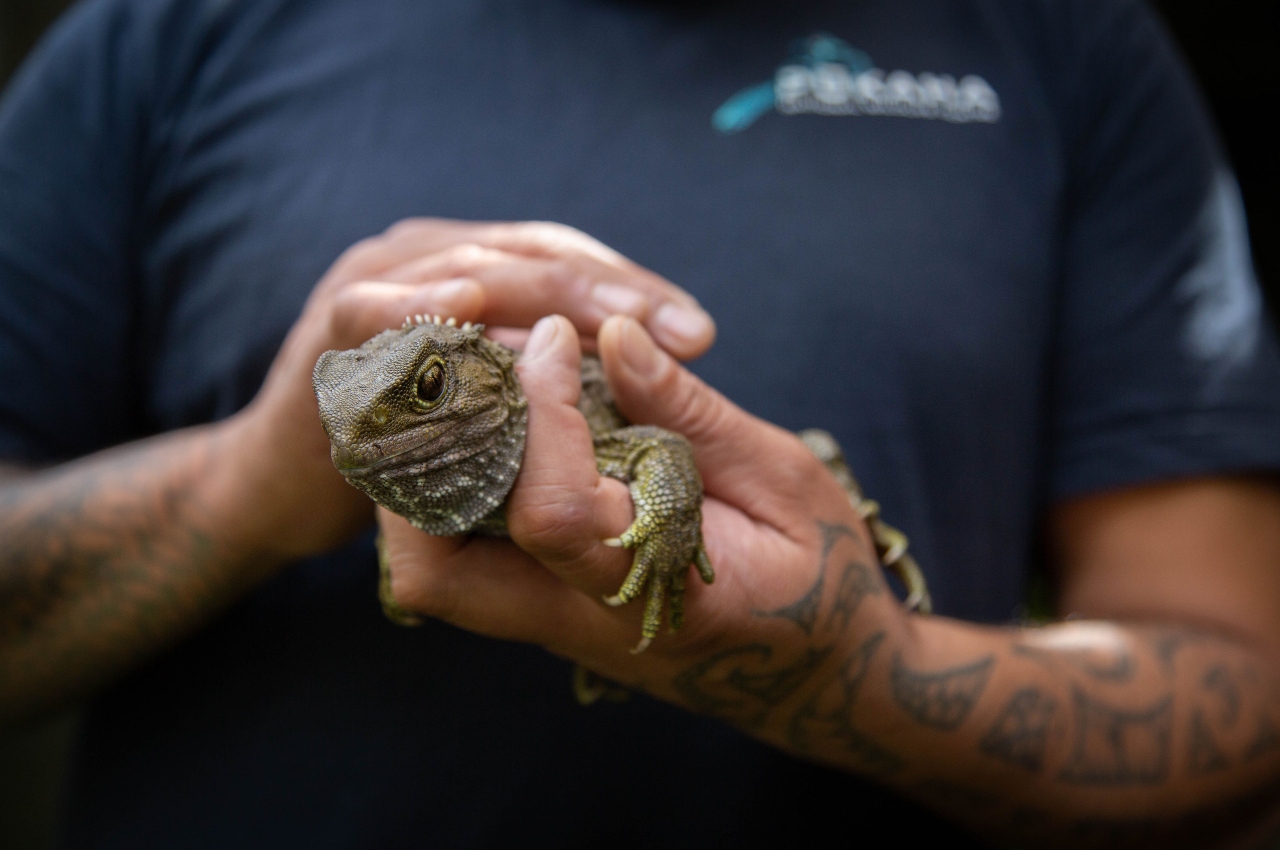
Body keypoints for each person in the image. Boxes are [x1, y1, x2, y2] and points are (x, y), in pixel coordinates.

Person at [1, 0, 1278, 846]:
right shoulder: (168, 31)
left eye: (417, 396)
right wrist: (239, 487)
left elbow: (1247, 715)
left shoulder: (1066, 40)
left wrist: (863, 673)